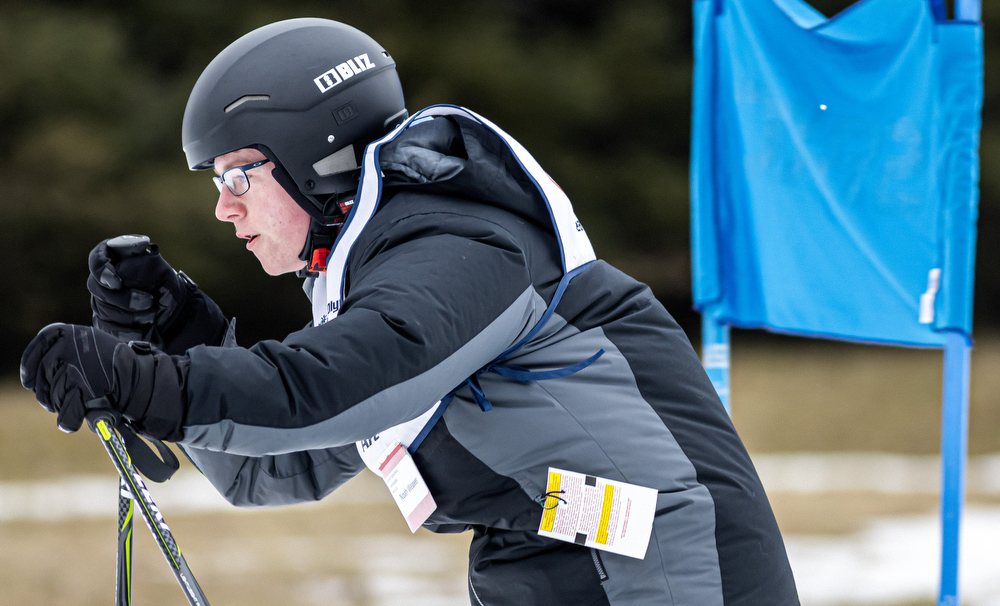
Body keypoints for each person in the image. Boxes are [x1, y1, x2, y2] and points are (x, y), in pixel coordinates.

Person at [20, 18, 800, 605]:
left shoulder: (462, 242)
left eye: (238, 177)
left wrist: (153, 381)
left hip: (672, 565)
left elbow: (337, 383)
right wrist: (176, 335)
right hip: (559, 561)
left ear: (310, 152)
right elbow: (278, 466)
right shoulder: (374, 271)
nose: (224, 209)